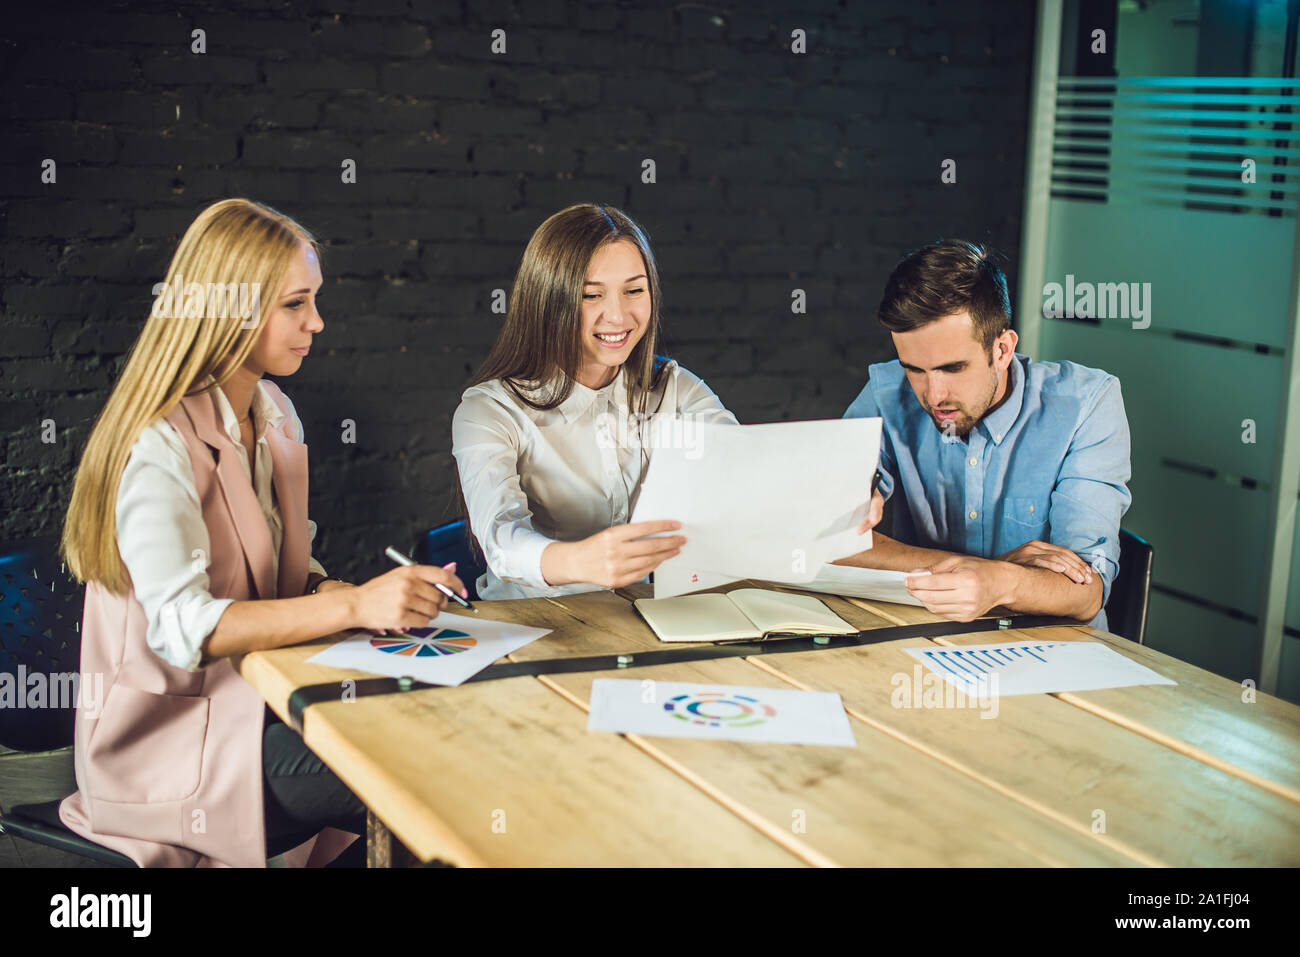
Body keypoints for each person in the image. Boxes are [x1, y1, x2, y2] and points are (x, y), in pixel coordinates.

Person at [59, 198, 466, 867]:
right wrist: (354, 606)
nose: (317, 322)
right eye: (295, 304)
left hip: (260, 701)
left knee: (432, 728)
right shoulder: (157, 444)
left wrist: (350, 591)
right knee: (411, 773)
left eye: (315, 300)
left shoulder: (274, 414)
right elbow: (186, 628)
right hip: (171, 747)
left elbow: (275, 576)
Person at [451, 203, 742, 599]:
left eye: (634, 291)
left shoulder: (673, 387)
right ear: (548, 302)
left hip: (637, 620)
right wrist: (581, 561)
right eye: (591, 295)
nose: (618, 316)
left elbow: (744, 465)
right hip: (530, 627)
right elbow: (501, 538)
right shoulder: (488, 410)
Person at [839, 239, 1131, 627]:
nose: (933, 395)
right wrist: (984, 569)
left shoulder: (1087, 404)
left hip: (1054, 652)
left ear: (1003, 350)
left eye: (953, 368)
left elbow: (1086, 591)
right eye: (914, 369)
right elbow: (826, 542)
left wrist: (1000, 583)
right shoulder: (887, 392)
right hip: (925, 642)